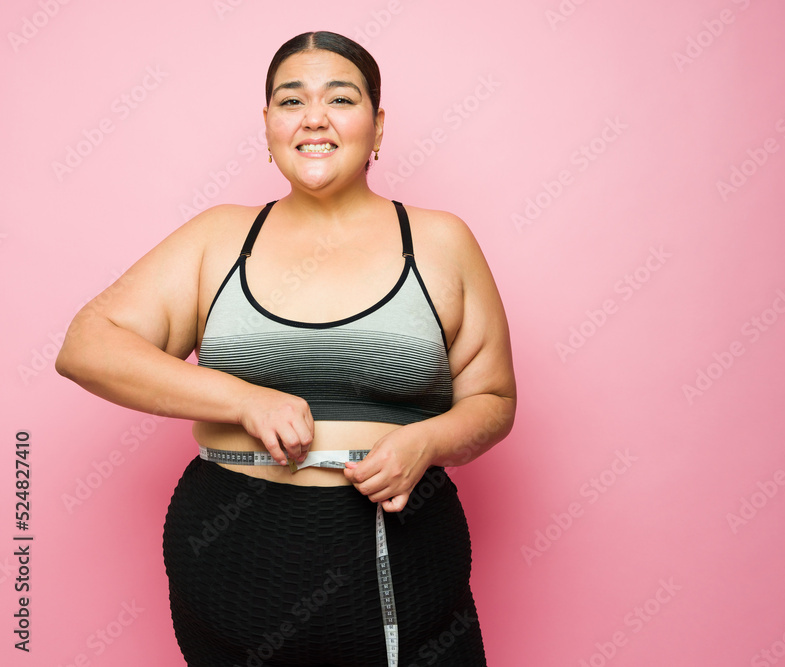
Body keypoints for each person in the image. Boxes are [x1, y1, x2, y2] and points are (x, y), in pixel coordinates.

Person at [55, 30, 516, 667]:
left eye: (342, 99)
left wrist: (426, 443)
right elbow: (86, 346)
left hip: (409, 564)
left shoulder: (441, 242)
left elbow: (493, 398)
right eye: (291, 101)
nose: (314, 119)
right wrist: (242, 399)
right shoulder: (218, 238)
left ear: (378, 126)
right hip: (232, 567)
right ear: (268, 125)